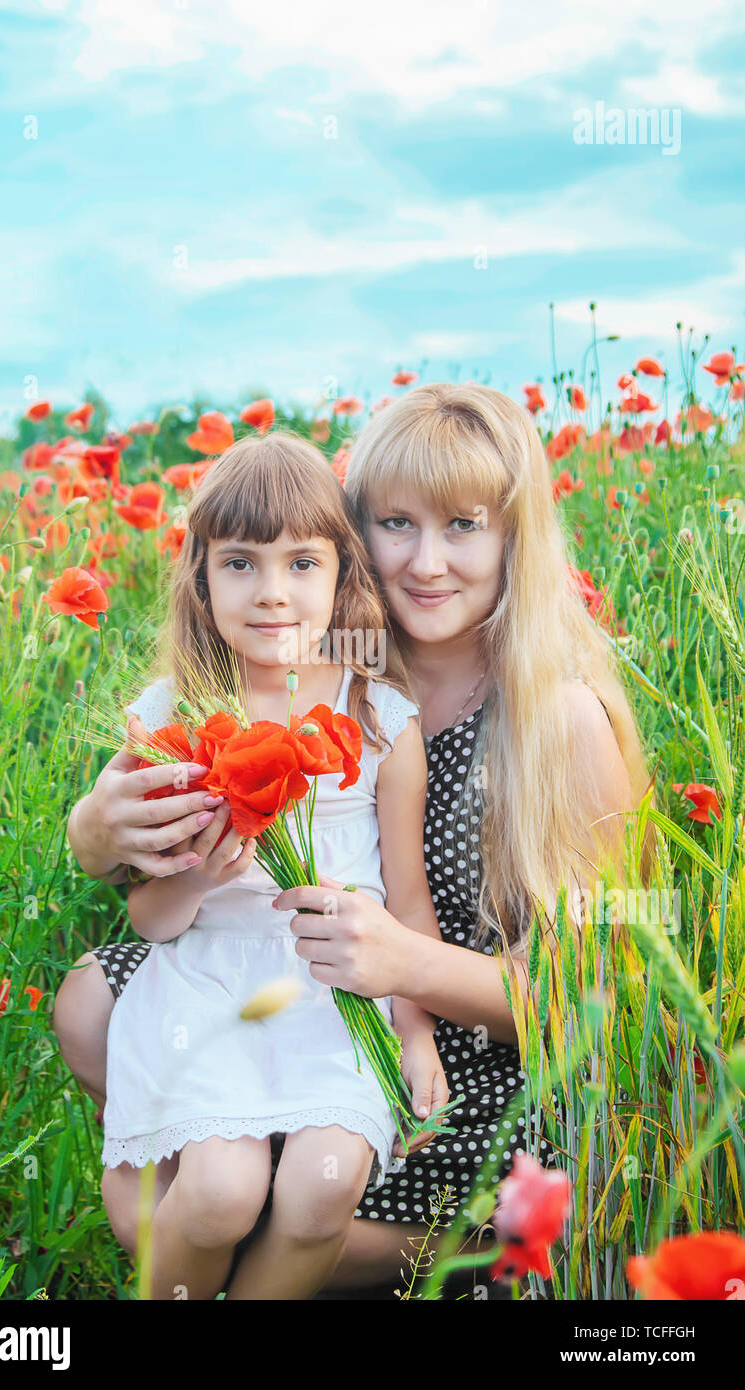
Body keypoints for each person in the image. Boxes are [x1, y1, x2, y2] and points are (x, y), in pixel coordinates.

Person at [58, 383, 653, 1294]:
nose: (425, 561)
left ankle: (391, 1250)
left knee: (283, 1206)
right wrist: (93, 831)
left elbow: (605, 999)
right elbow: (167, 862)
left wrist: (408, 967)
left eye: (464, 525)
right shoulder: (322, 661)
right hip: (283, 980)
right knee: (89, 1004)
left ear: (515, 537)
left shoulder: (557, 723)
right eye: (394, 523)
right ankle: (188, 1203)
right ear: (351, 541)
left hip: (459, 1053)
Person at [57, 429, 457, 1301]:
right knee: (217, 1197)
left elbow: (410, 906)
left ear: (344, 575)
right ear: (200, 576)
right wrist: (198, 875)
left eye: (301, 563)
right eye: (240, 564)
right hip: (209, 991)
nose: (273, 593)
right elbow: (150, 919)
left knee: (320, 1188)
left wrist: (415, 1032)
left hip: (339, 998)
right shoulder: (172, 717)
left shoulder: (384, 718)